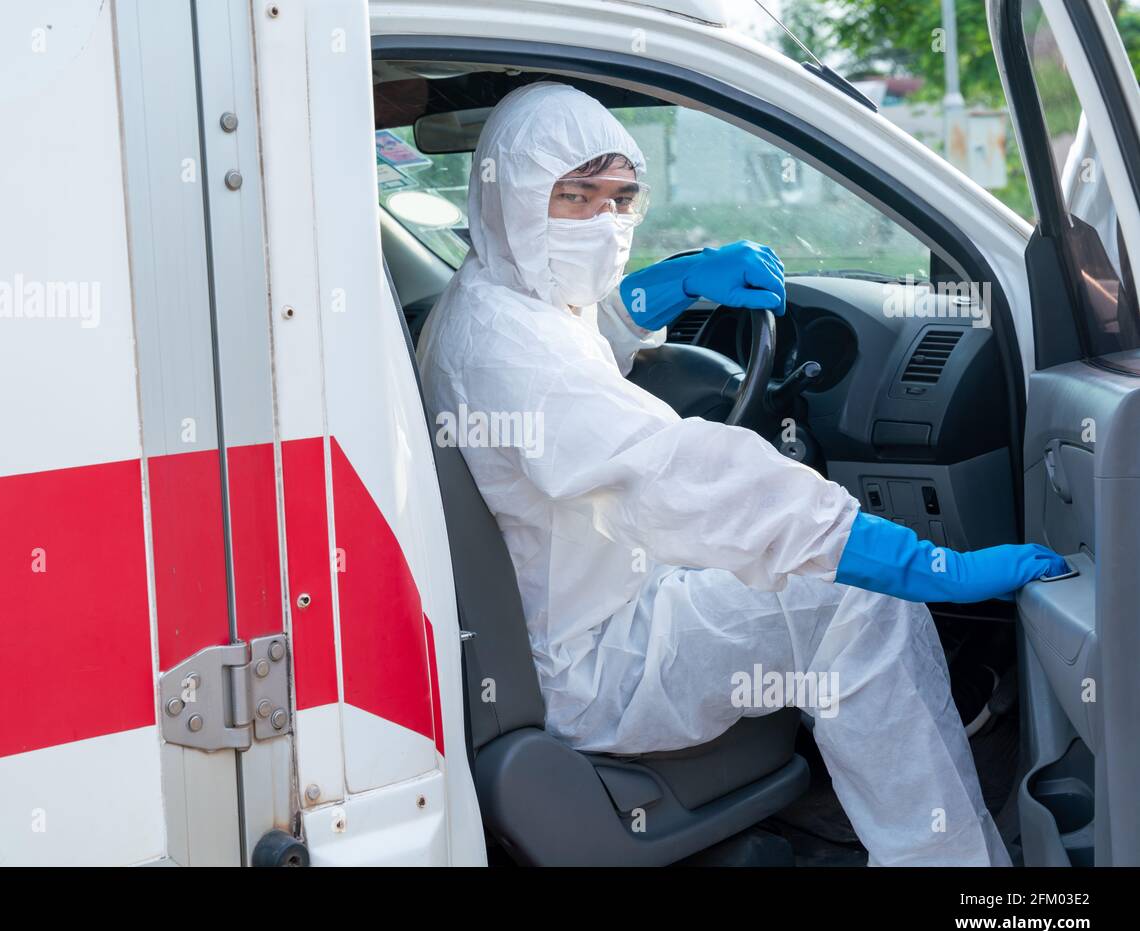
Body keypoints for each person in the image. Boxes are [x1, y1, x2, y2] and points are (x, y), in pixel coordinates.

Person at [415, 82, 1067, 866]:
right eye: (575, 196)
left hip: (579, 607)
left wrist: (660, 291)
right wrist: (919, 561)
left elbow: (573, 352)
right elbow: (680, 472)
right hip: (597, 664)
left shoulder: (484, 300)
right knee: (858, 599)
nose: (605, 223)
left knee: (800, 569)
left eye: (621, 198)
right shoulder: (512, 353)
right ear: (509, 197)